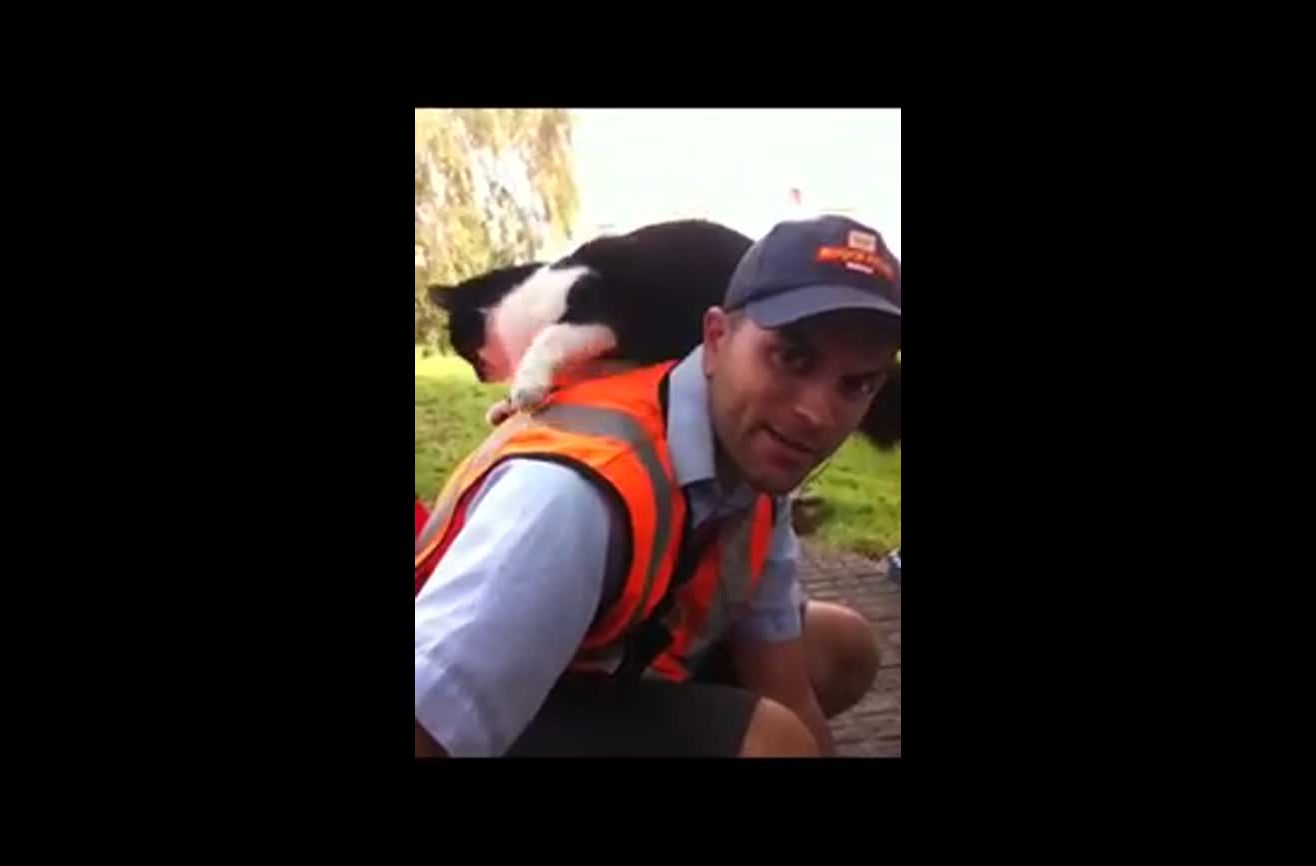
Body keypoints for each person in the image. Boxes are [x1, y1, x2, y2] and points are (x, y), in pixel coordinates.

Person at [415, 214, 901, 757]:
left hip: (606, 664)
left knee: (843, 647)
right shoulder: (574, 496)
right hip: (495, 708)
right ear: (715, 339)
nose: (815, 413)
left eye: (855, 384)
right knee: (773, 742)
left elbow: (781, 680)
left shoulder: (759, 458)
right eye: (792, 357)